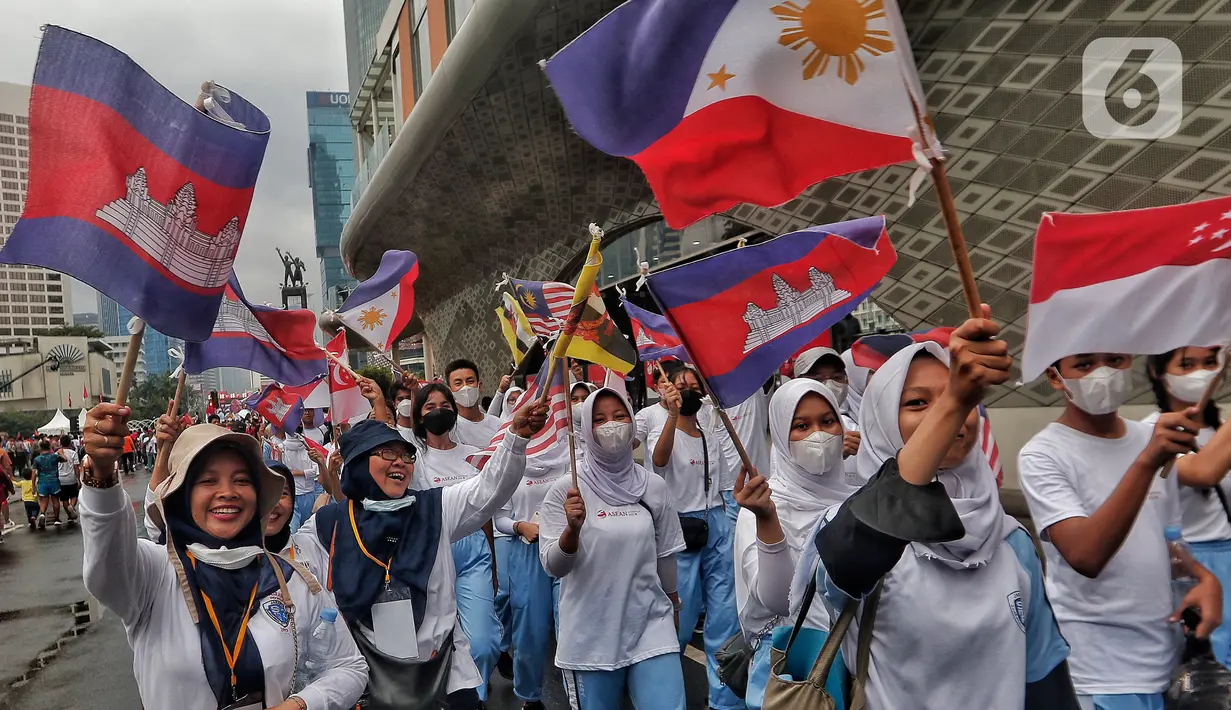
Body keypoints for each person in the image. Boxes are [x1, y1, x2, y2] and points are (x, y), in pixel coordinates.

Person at [799, 315, 1078, 709]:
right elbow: (857, 552)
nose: (948, 414)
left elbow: (1044, 678)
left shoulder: (1012, 540)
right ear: (880, 420)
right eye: (917, 403)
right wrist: (953, 401)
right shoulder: (844, 529)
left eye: (955, 398)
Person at [80, 403, 369, 709]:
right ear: (181, 495)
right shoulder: (154, 574)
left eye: (242, 480)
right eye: (208, 481)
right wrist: (101, 474)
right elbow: (107, 567)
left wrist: (302, 703)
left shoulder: (292, 580)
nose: (227, 492)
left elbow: (349, 667)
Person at [297, 403, 546, 710]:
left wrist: (516, 438)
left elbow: (488, 490)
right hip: (370, 680)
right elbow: (292, 571)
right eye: (387, 453)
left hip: (445, 673)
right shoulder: (327, 525)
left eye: (406, 455)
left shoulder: (434, 507)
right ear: (360, 461)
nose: (400, 462)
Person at [1020, 351, 1223, 709]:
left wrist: (1204, 579)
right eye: (1084, 364)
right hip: (1102, 672)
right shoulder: (1043, 454)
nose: (1103, 374)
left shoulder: (1152, 437)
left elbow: (1169, 539)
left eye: (1114, 360)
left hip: (1170, 662)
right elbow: (1085, 555)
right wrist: (1146, 462)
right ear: (1055, 377)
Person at [539, 387, 687, 710]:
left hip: (651, 627)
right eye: (600, 419)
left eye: (620, 416)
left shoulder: (653, 487)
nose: (612, 425)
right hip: (591, 637)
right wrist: (571, 531)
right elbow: (554, 565)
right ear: (587, 431)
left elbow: (665, 554)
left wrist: (673, 603)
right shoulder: (567, 491)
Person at [731, 378, 861, 710]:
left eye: (827, 421)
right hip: (795, 666)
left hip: (857, 661)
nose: (818, 434)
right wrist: (767, 520)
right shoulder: (764, 507)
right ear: (780, 434)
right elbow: (778, 601)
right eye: (801, 426)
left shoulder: (859, 501)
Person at [648, 364, 742, 710]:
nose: (687, 388)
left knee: (724, 615)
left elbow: (724, 484)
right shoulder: (663, 429)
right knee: (680, 620)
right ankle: (666, 696)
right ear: (666, 390)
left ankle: (724, 701)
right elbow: (658, 461)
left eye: (692, 384)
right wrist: (672, 416)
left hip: (715, 523)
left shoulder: (711, 433)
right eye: (679, 384)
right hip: (680, 530)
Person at [407, 382, 502, 704]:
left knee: (484, 643)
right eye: (430, 407)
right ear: (419, 416)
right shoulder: (414, 460)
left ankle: (475, 697)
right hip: (434, 558)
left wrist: (493, 565)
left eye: (445, 406)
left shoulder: (473, 458)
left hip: (475, 555)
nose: (439, 412)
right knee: (435, 641)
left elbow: (484, 509)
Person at [1144, 345, 1231, 666]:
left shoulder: (1222, 427)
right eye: (1187, 364)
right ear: (1157, 371)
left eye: (1210, 362)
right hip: (1194, 566)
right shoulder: (1153, 432)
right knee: (1213, 671)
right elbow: (1204, 471)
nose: (1201, 373)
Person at [492, 408, 570, 709]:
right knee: (531, 630)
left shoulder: (568, 459)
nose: (539, 429)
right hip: (527, 552)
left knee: (570, 626)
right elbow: (499, 517)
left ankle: (579, 692)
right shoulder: (511, 467)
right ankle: (530, 696)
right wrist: (519, 526)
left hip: (566, 549)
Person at [446, 359, 501, 448]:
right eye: (458, 383)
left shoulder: (498, 425)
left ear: (480, 386)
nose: (465, 387)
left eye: (470, 381)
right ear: (450, 391)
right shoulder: (449, 430)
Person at [32, 439, 64, 528]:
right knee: (55, 500)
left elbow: (34, 472)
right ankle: (57, 519)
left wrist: (33, 485)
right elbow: (65, 460)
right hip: (54, 481)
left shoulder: (37, 459)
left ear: (40, 448)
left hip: (42, 482)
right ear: (49, 447)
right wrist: (60, 453)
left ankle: (42, 514)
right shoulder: (54, 456)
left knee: (43, 500)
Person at [56, 434, 82, 522]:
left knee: (64, 498)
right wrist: (78, 479)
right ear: (70, 443)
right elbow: (76, 467)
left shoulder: (57, 454)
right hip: (71, 478)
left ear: (60, 443)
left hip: (61, 479)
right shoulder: (73, 453)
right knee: (74, 495)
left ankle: (69, 514)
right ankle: (72, 506)